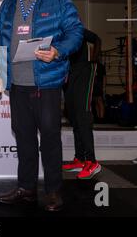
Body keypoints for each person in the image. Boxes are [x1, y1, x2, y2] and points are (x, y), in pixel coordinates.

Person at [0, 0, 84, 212]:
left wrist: (57, 50)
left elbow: (76, 32)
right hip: (18, 83)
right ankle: (26, 189)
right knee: (24, 138)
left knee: (50, 139)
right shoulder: (10, 0)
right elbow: (1, 37)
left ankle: (54, 191)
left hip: (47, 82)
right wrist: (0, 75)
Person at [63, 29, 102, 179]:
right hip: (69, 72)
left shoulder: (75, 27)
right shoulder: (57, 30)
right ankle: (80, 159)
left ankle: (92, 161)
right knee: (73, 116)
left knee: (82, 116)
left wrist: (94, 60)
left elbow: (97, 39)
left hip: (84, 71)